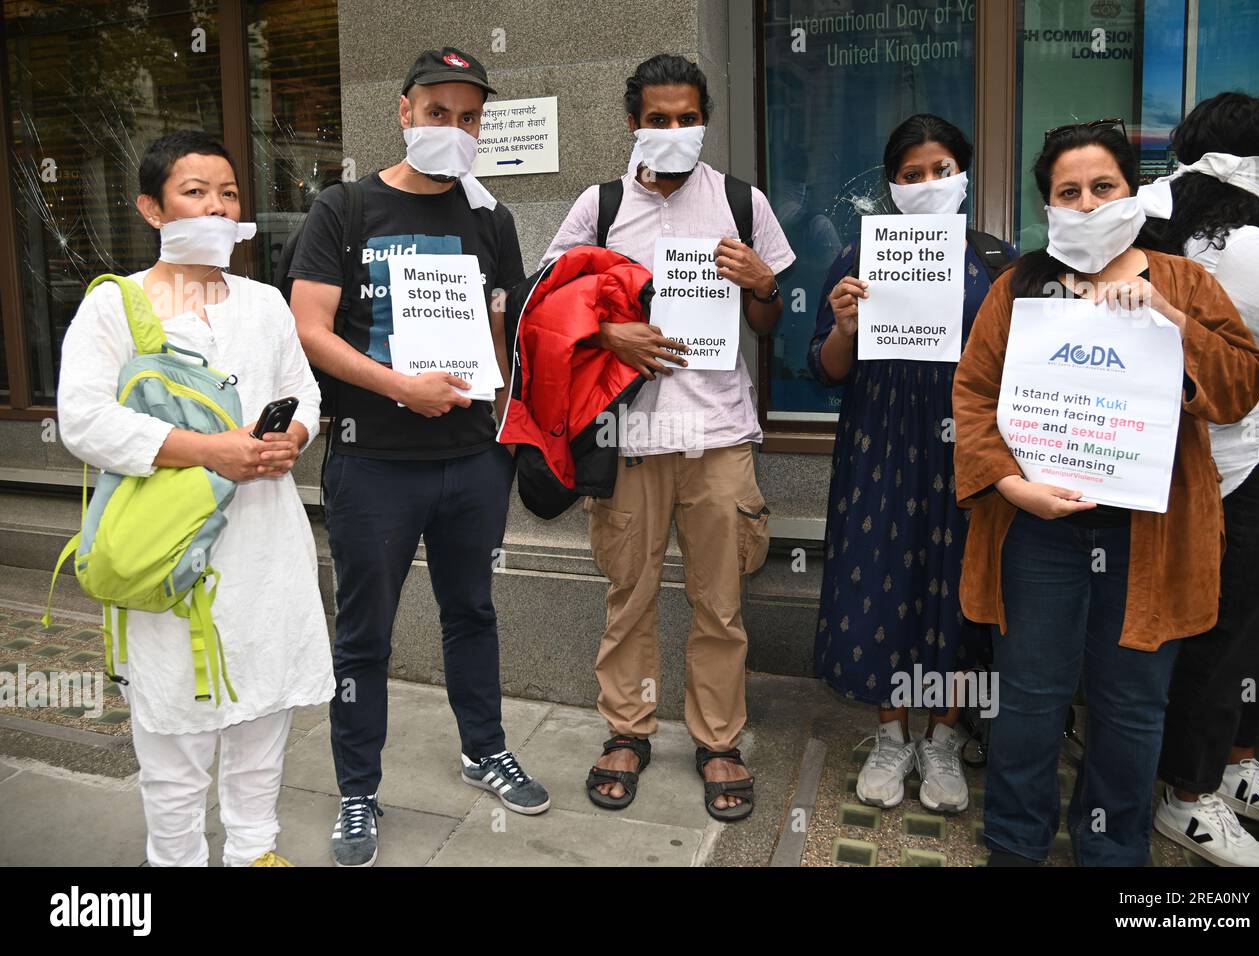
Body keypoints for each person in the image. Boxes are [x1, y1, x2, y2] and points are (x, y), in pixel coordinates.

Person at [952, 119, 1259, 866]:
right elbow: (972, 399)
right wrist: (1010, 485)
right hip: (1037, 534)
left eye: (1105, 187)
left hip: (1148, 539)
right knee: (1029, 699)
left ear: (1133, 190)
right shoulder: (1017, 288)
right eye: (1070, 192)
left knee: (1131, 707)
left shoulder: (1185, 280)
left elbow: (1241, 385)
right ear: (1048, 204)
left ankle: (1114, 851)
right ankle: (1016, 843)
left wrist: (1165, 317)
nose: (1088, 204)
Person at [288, 47, 548, 867]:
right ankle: (358, 791)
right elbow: (308, 329)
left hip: (472, 458)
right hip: (373, 464)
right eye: (439, 113)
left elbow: (502, 326)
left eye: (470, 118)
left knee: (472, 611)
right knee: (364, 634)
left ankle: (484, 748)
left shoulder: (491, 219)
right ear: (404, 113)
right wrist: (399, 386)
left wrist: (504, 388)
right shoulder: (346, 209)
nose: (455, 130)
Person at [57, 129, 335, 866]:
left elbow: (300, 388)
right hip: (172, 553)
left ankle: (254, 851)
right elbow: (84, 419)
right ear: (152, 208)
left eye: (229, 194)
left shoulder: (265, 302)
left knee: (261, 725)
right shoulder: (116, 307)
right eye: (195, 192)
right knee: (176, 748)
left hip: (266, 544)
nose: (216, 208)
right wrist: (209, 451)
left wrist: (294, 435)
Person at [540, 53, 795, 821]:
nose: (675, 131)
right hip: (626, 436)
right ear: (633, 122)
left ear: (705, 119)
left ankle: (719, 739)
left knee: (720, 603)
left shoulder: (743, 203)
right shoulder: (601, 204)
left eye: (688, 119)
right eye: (659, 119)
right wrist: (609, 331)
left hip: (717, 434)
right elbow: (549, 305)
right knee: (630, 593)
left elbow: (770, 325)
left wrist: (763, 285)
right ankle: (628, 729)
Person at [809, 114, 1015, 814]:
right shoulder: (857, 256)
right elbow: (826, 370)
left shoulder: (996, 261)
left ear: (963, 174)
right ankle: (893, 734)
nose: (927, 184)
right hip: (879, 446)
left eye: (940, 170)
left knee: (956, 596)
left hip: (965, 455)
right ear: (890, 184)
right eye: (910, 175)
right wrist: (842, 328)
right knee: (884, 586)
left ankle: (944, 739)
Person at [1140, 93, 1259, 866]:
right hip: (1256, 465)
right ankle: (1191, 797)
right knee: (1233, 640)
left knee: (1241, 639)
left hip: (1207, 465)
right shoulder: (1254, 247)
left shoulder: (1170, 221)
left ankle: (1231, 767)